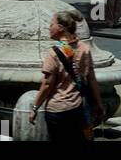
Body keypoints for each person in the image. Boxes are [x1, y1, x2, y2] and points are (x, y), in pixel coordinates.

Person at [28, 9, 104, 144]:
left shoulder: (54, 53)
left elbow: (47, 84)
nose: (49, 27)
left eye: (52, 24)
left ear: (60, 28)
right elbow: (91, 79)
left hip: (57, 110)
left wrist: (35, 107)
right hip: (78, 108)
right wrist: (98, 104)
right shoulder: (84, 48)